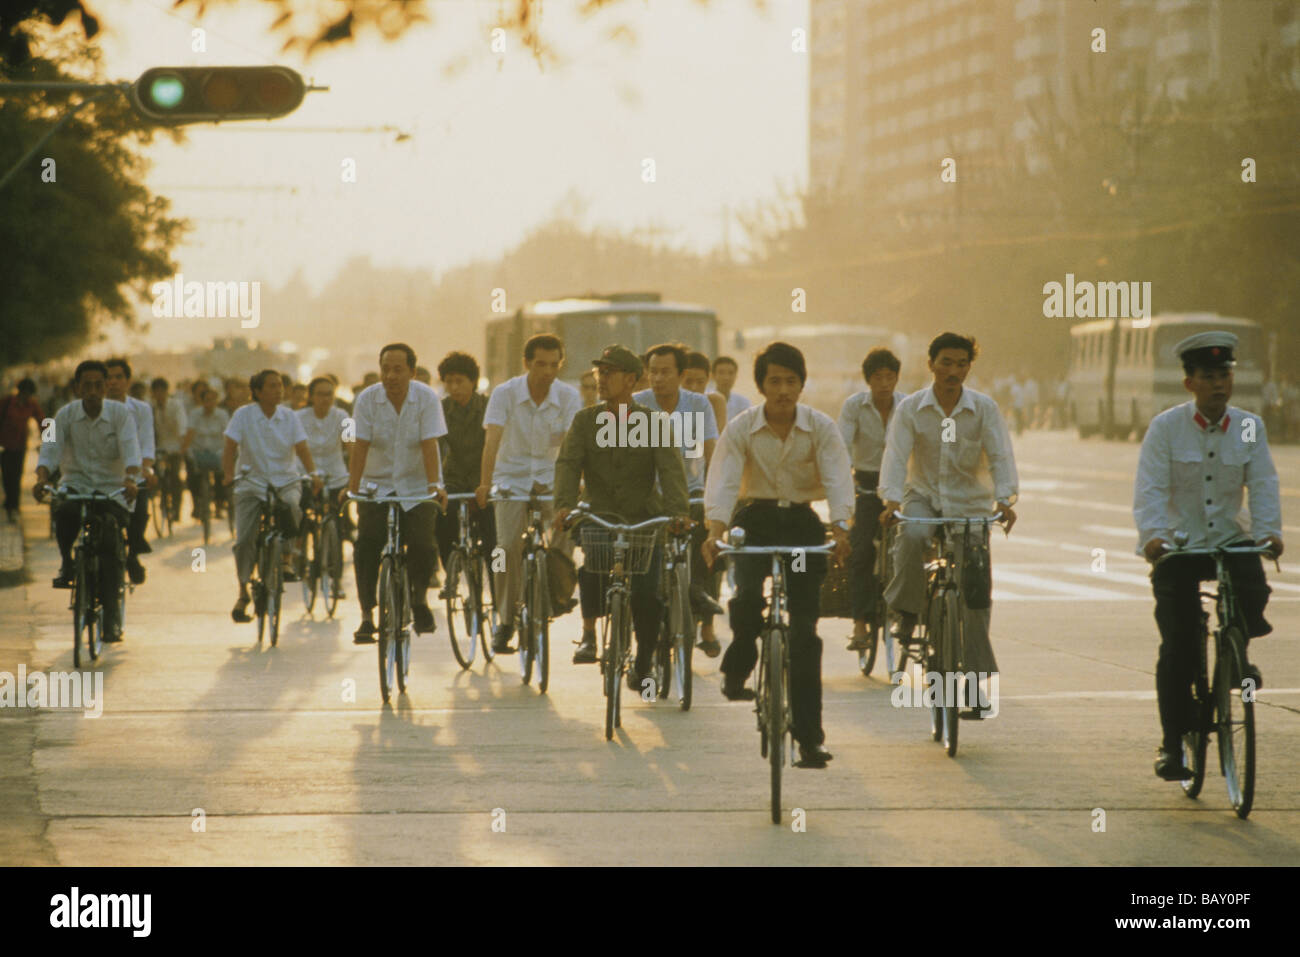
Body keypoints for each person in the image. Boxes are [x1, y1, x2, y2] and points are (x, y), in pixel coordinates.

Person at [1134, 331, 1283, 781]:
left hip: (1228, 539)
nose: (1219, 384)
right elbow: (1152, 489)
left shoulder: (1249, 426)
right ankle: (1173, 743)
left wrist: (1269, 533)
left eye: (1225, 375)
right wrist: (1154, 538)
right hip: (1180, 544)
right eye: (1209, 376)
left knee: (1254, 590)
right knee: (1177, 645)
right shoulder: (1165, 428)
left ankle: (1240, 651)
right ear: (1189, 383)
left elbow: (1263, 484)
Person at [702, 341, 853, 769]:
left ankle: (809, 741)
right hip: (754, 521)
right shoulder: (742, 428)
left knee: (805, 633)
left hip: (803, 527)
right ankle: (738, 666)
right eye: (774, 381)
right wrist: (715, 531)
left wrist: (841, 529)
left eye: (791, 381)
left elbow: (839, 478)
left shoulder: (821, 427)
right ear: (762, 386)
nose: (783, 390)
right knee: (747, 597)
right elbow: (725, 480)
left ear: (802, 385)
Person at [879, 332, 1019, 719]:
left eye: (961, 364)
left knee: (974, 596)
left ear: (969, 367)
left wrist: (1006, 498)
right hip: (923, 495)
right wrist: (891, 498)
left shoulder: (984, 409)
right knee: (912, 533)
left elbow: (1000, 455)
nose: (953, 371)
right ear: (931, 364)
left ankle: (975, 690)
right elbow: (895, 455)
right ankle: (906, 611)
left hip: (970, 503)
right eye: (946, 363)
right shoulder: (911, 408)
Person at [555, 345, 691, 679]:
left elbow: (671, 471)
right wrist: (564, 505)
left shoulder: (652, 422)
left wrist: (677, 513)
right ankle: (589, 635)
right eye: (600, 372)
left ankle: (645, 657)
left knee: (646, 596)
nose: (601, 379)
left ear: (631, 380)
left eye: (610, 373)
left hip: (644, 518)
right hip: (598, 512)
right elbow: (569, 464)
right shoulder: (585, 421)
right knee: (591, 571)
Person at [476, 333, 581, 653]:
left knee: (566, 533)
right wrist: (485, 483)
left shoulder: (568, 396)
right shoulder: (504, 394)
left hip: (553, 479)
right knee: (506, 548)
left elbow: (574, 447)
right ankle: (505, 620)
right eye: (540, 365)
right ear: (526, 364)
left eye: (553, 365)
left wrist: (577, 487)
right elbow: (492, 441)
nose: (547, 372)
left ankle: (557, 591)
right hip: (511, 478)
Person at [33, 361, 141, 641]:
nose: (92, 391)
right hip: (76, 485)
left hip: (112, 489)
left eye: (98, 385)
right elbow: (50, 449)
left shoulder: (120, 415)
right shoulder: (65, 415)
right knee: (64, 513)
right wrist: (43, 477)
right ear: (77, 387)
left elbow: (131, 448)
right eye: (86, 385)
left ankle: (112, 617)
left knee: (110, 543)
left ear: (106, 387)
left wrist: (131, 478)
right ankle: (67, 562)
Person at [348, 343, 447, 643]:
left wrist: (433, 486)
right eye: (385, 369)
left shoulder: (427, 399)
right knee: (366, 545)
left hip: (418, 485)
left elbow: (429, 444)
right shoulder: (367, 400)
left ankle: (418, 598)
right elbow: (360, 445)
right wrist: (352, 488)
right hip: (376, 486)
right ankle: (367, 615)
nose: (390, 375)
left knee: (422, 544)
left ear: (412, 372)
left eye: (398, 369)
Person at [633, 342, 726, 654]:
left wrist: (718, 497)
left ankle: (697, 591)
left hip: (690, 492)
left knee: (706, 529)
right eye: (653, 372)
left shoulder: (699, 405)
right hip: (648, 496)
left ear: (681, 374)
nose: (658, 378)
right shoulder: (635, 404)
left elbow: (712, 455)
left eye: (665, 372)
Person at [223, 369, 322, 623]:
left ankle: (287, 559)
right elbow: (230, 447)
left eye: (280, 385)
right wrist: (227, 475)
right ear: (257, 392)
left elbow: (301, 448)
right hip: (250, 482)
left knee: (292, 506)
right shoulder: (243, 415)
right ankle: (243, 592)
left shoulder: (289, 416)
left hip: (284, 480)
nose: (279, 390)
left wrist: (313, 473)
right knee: (244, 539)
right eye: (272, 386)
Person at [838, 347, 908, 651]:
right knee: (861, 550)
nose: (884, 383)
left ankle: (907, 615)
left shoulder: (908, 405)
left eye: (890, 377)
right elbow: (841, 447)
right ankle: (860, 624)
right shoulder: (854, 406)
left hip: (903, 486)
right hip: (866, 485)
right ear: (869, 380)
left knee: (911, 548)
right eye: (878, 377)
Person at [432, 352, 496, 584]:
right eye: (448, 382)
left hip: (485, 478)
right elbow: (434, 447)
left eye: (459, 381)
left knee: (494, 539)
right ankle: (451, 569)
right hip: (454, 477)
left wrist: (487, 483)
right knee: (441, 517)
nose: (454, 387)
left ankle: (499, 584)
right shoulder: (440, 409)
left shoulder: (490, 406)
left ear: (473, 381)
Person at [296, 376, 352, 595]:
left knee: (337, 526)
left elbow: (352, 446)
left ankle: (336, 580)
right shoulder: (298, 417)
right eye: (319, 394)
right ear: (311, 396)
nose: (324, 399)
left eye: (329, 394)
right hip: (304, 475)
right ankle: (299, 552)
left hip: (335, 475)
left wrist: (354, 478)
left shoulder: (344, 416)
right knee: (299, 512)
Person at [104, 359, 155, 585]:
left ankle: (132, 554)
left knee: (140, 512)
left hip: (132, 475)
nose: (113, 382)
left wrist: (144, 469)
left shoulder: (141, 409)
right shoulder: (92, 407)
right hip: (101, 475)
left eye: (118, 377)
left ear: (127, 381)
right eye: (109, 378)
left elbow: (146, 443)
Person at [184, 386, 231, 522]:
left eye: (212, 400)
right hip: (199, 451)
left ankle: (219, 504)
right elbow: (190, 434)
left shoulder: (222, 415)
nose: (210, 403)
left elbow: (227, 436)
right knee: (191, 474)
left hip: (217, 451)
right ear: (202, 401)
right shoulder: (194, 414)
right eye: (207, 400)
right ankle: (198, 503)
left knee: (221, 475)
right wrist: (184, 450)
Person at [1, 378, 44, 522]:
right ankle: (9, 504)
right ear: (19, 392)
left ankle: (14, 506)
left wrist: (50, 440)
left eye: (29, 394)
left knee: (17, 475)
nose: (26, 397)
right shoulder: (7, 402)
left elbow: (42, 420)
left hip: (20, 446)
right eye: (24, 393)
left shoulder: (31, 404)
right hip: (4, 446)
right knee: (7, 476)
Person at [150, 377, 189, 523]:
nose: (159, 395)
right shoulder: (151, 407)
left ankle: (176, 508)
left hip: (175, 447)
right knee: (154, 475)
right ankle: (159, 497)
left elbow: (182, 426)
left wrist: (182, 447)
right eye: (156, 392)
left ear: (167, 392)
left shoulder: (176, 405)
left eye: (162, 391)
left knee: (175, 477)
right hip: (159, 448)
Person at [683, 351, 728, 434]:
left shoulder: (715, 401)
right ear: (679, 379)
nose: (694, 388)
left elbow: (719, 438)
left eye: (700, 382)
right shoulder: (668, 402)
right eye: (688, 382)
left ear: (708, 379)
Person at [709, 355, 751, 423]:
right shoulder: (706, 399)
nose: (726, 377)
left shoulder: (743, 403)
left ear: (736, 376)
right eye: (721, 373)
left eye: (731, 373)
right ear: (713, 376)